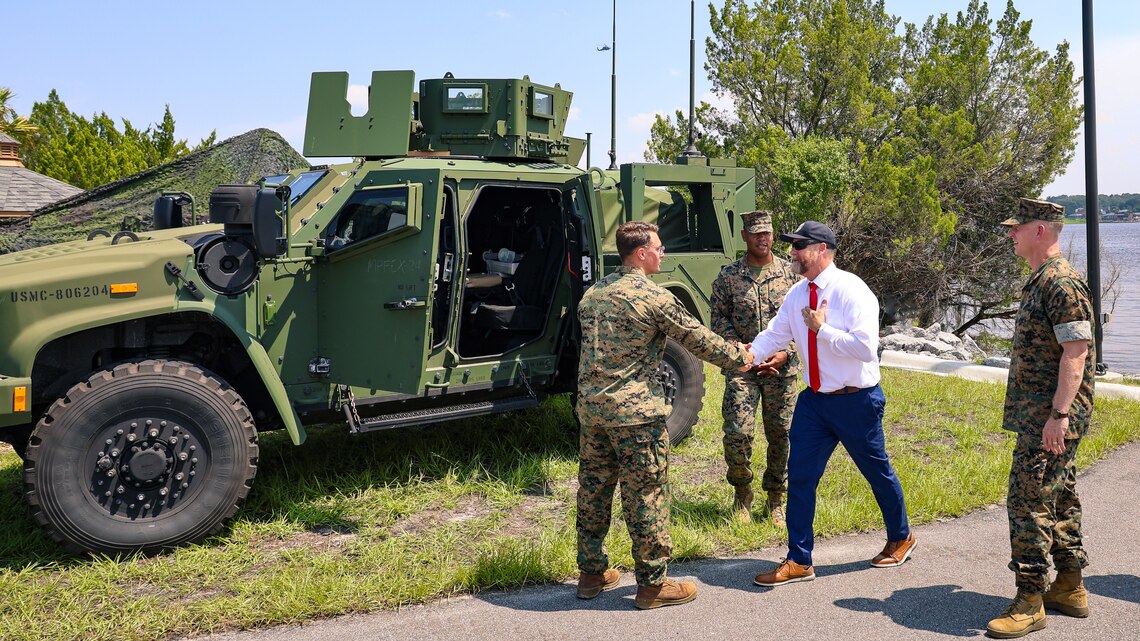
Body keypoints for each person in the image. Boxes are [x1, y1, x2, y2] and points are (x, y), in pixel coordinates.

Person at [575, 220, 754, 609]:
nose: (662, 253)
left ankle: (591, 574)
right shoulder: (653, 297)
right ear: (640, 253)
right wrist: (741, 356)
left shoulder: (593, 293)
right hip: (636, 416)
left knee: (594, 490)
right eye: (658, 248)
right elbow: (697, 338)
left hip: (592, 412)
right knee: (647, 494)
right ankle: (653, 586)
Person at [748, 220, 914, 588]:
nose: (791, 252)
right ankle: (799, 560)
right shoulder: (797, 294)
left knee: (876, 472)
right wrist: (748, 353)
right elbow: (775, 334)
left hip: (857, 401)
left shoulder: (852, 290)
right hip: (815, 403)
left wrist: (822, 329)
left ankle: (901, 536)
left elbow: (865, 348)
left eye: (799, 246)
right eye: (792, 245)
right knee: (800, 477)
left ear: (821, 249)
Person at [986, 198, 1096, 639]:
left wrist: (1059, 415)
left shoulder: (1061, 282)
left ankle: (1030, 601)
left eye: (1017, 227)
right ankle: (1069, 586)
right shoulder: (1042, 278)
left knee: (1027, 502)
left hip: (1050, 418)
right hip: (1042, 415)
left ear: (1040, 230)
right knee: (1059, 494)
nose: (1010, 233)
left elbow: (1077, 352)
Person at [710, 210, 801, 526]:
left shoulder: (791, 276)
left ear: (773, 235)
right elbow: (718, 320)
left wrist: (786, 353)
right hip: (743, 370)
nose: (763, 238)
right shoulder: (728, 277)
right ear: (745, 236)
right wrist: (743, 352)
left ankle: (776, 498)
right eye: (756, 233)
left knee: (782, 435)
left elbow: (804, 321)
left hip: (781, 370)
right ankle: (743, 493)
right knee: (737, 432)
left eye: (767, 233)